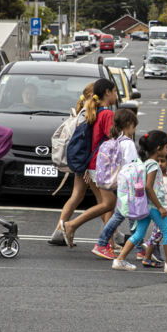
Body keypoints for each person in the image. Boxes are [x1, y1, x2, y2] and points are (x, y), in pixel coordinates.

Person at [111, 131, 167, 274]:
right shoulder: (153, 164)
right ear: (159, 148)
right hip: (152, 205)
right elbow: (148, 187)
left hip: (144, 206)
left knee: (139, 234)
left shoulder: (145, 162)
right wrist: (160, 207)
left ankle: (120, 260)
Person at [50, 82, 110, 246]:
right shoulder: (91, 113)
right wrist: (85, 166)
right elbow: (89, 142)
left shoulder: (83, 111)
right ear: (94, 96)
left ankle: (58, 232)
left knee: (78, 196)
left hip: (83, 162)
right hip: (89, 164)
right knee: (104, 203)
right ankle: (111, 236)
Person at [62, 78, 119, 246]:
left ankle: (110, 241)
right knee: (109, 204)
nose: (116, 95)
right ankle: (74, 226)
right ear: (107, 92)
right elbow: (113, 140)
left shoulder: (94, 113)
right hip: (102, 166)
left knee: (105, 204)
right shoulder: (107, 114)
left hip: (93, 165)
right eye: (115, 91)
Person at [88, 108, 139, 259]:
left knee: (125, 214)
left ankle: (137, 247)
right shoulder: (128, 143)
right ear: (129, 124)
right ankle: (103, 243)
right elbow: (132, 166)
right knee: (128, 215)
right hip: (126, 184)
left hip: (115, 183)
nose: (134, 129)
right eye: (134, 126)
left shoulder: (111, 140)